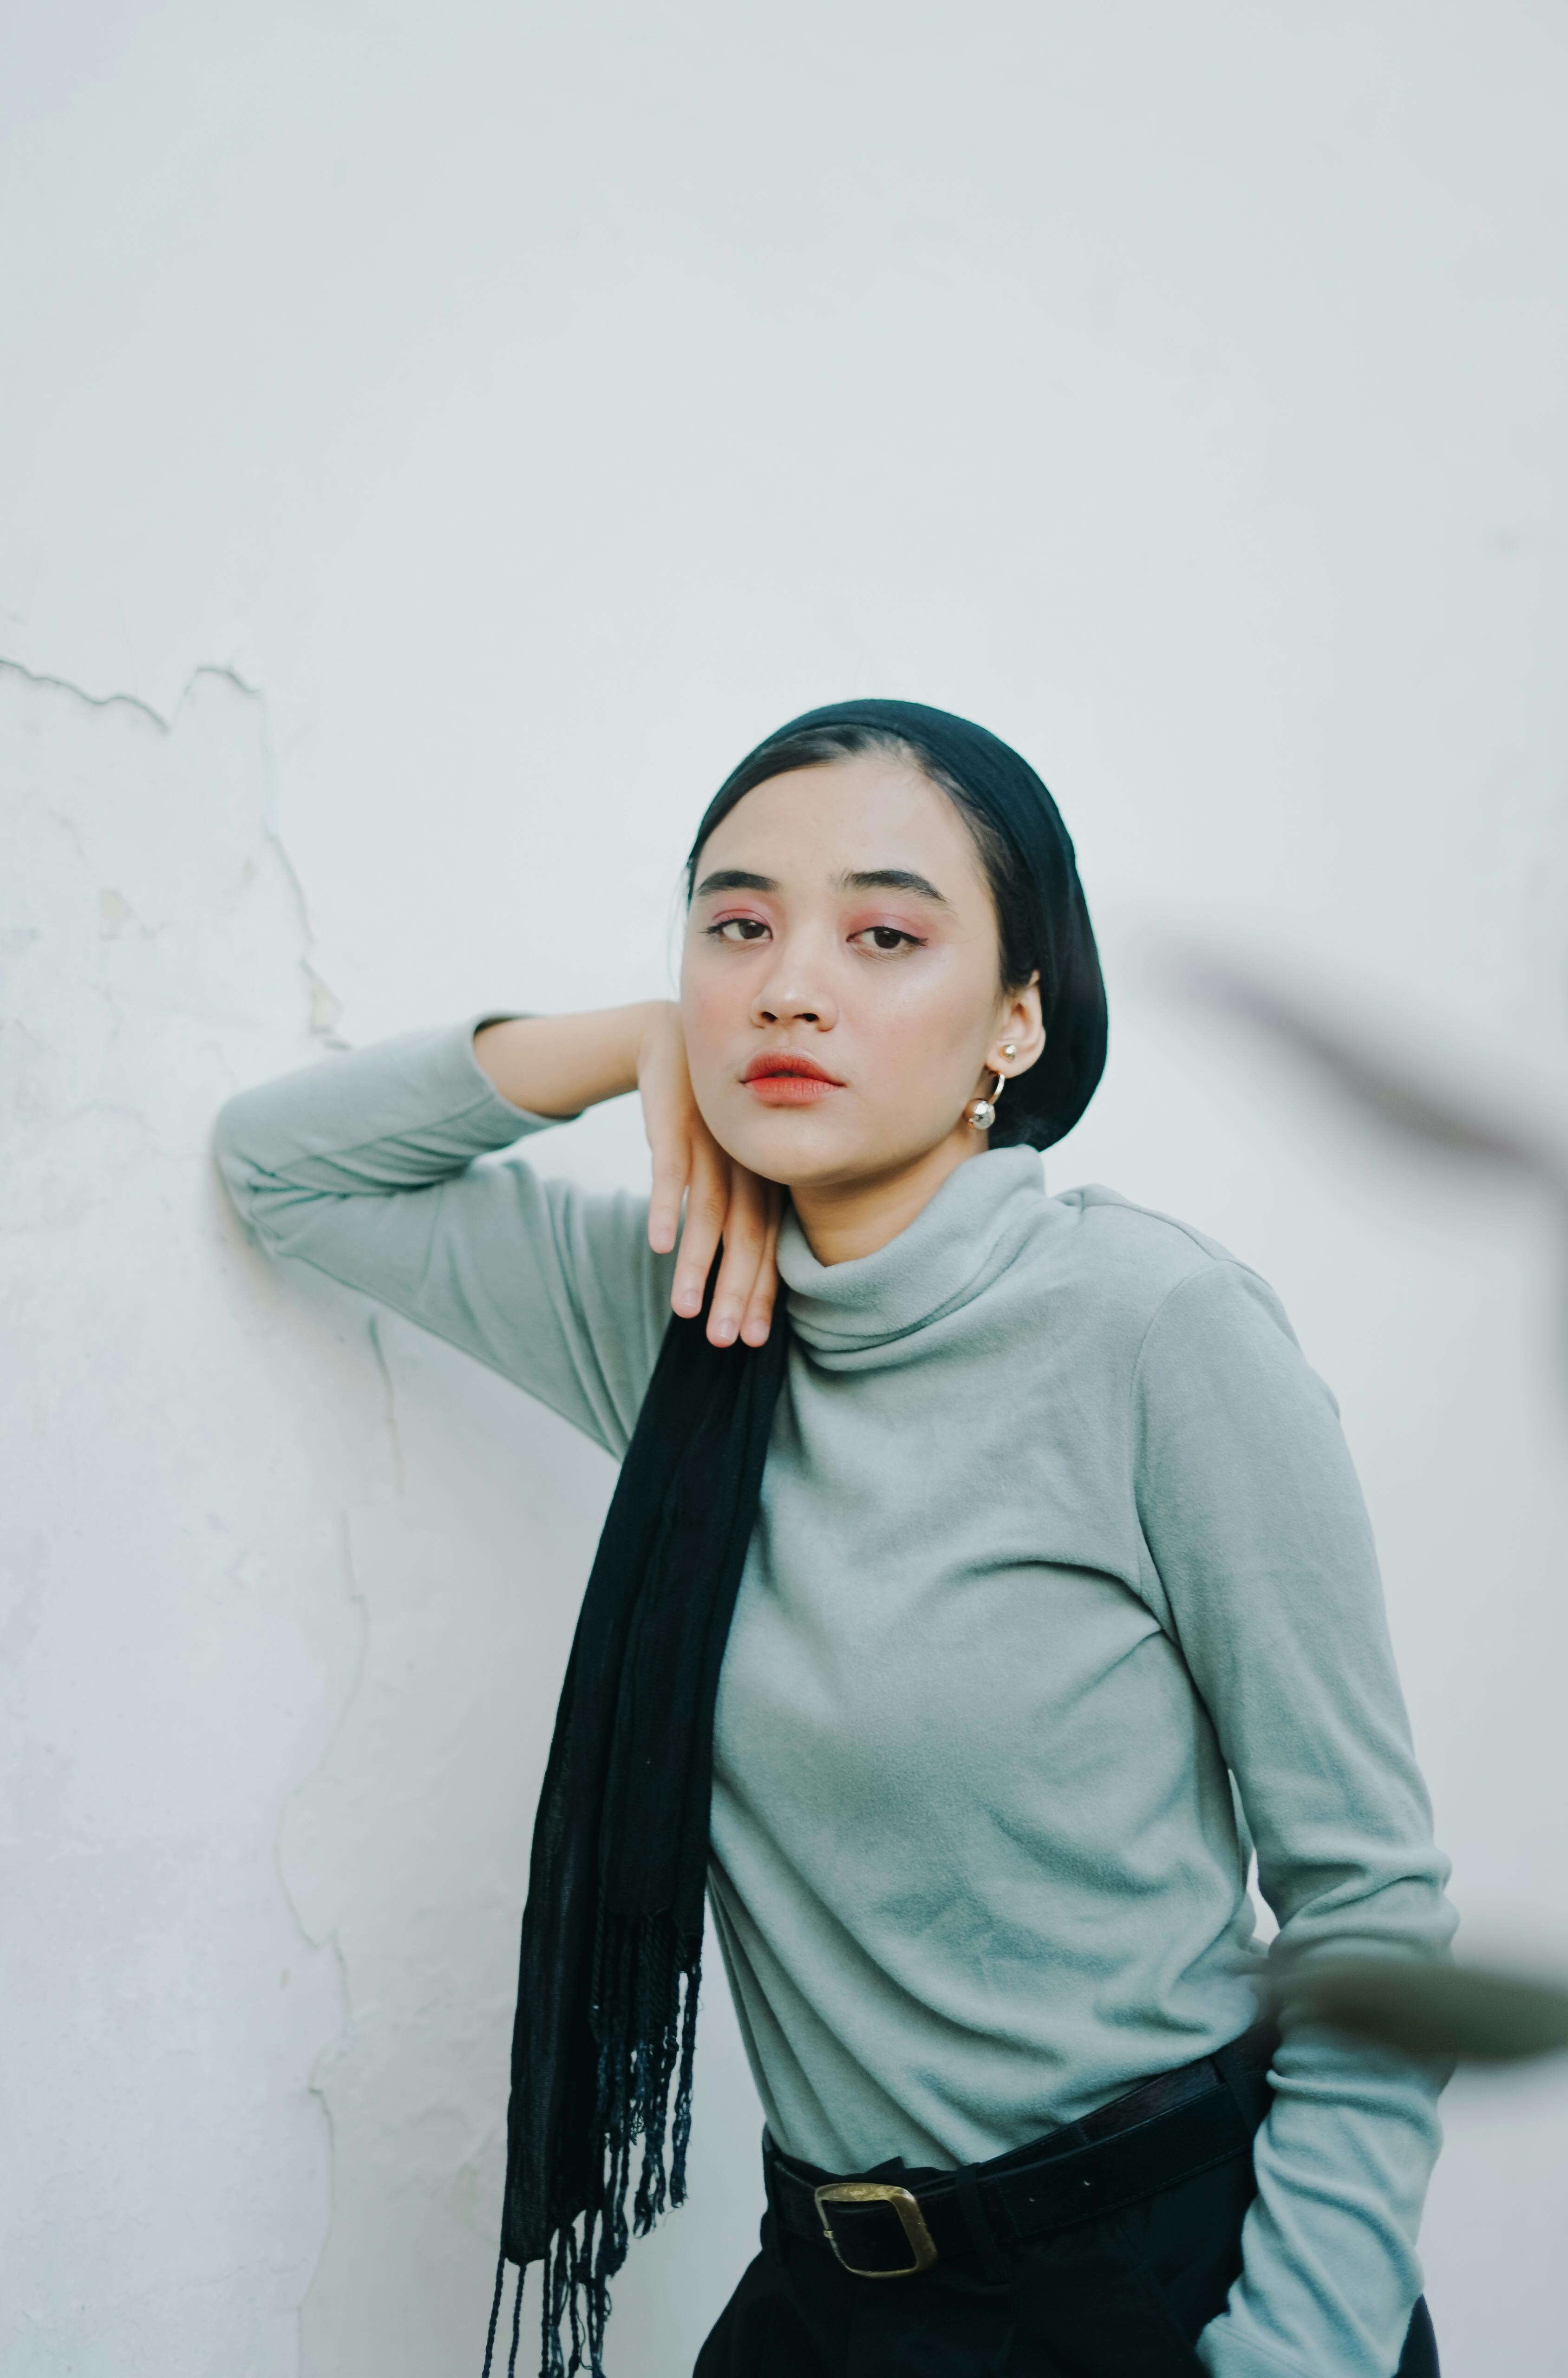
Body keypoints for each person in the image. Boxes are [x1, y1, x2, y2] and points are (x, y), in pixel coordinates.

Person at [215, 700, 1451, 2378]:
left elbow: (1367, 1902)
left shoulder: (1153, 1330)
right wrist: (633, 1045)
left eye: (885, 934)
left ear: (1016, 1019)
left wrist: (1304, 2355)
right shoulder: (679, 1316)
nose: (791, 983)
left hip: (1158, 2273)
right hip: (832, 2293)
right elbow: (287, 1172)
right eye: (737, 928)